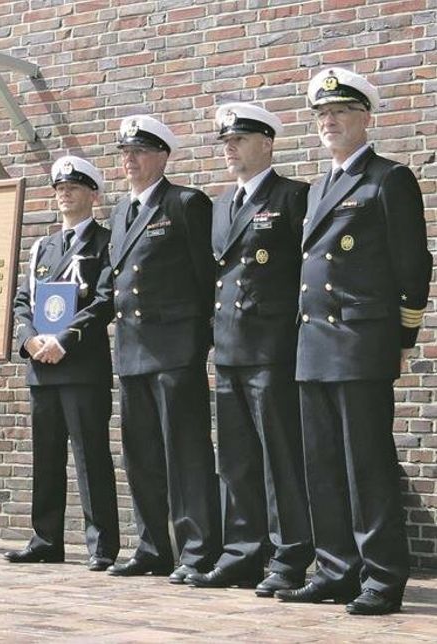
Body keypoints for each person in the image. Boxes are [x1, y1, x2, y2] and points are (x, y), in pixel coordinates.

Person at [274, 69, 432, 616]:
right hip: (314, 343)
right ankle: (337, 569)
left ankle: (383, 578)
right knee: (321, 466)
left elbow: (414, 265)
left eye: (340, 112)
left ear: (367, 118)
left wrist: (402, 335)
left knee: (366, 463)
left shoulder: (389, 179)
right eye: (322, 115)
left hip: (361, 340)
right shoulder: (318, 187)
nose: (330, 122)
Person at [186, 103, 313, 595]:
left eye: (240, 139)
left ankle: (291, 556)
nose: (231, 149)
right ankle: (241, 553)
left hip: (272, 348)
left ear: (267, 143)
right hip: (230, 348)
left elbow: (305, 274)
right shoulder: (221, 206)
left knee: (281, 458)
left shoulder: (293, 196)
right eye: (225, 142)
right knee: (236, 460)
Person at [104, 115, 220, 583]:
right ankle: (153, 547)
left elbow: (205, 278)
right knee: (142, 454)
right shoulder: (118, 213)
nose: (130, 161)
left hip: (175, 349)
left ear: (163, 156)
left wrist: (198, 341)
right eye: (125, 153)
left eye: (140, 152)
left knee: (186, 453)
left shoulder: (186, 203)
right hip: (132, 349)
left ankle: (197, 550)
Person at [6, 155, 120, 571]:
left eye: (73, 188)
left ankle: (102, 545)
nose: (64, 194)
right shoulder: (43, 246)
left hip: (81, 366)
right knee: (46, 456)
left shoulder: (106, 242)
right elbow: (24, 301)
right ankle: (46, 539)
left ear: (93, 194)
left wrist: (65, 340)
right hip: (42, 365)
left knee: (90, 456)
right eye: (59, 189)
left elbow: (105, 299)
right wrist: (30, 338)